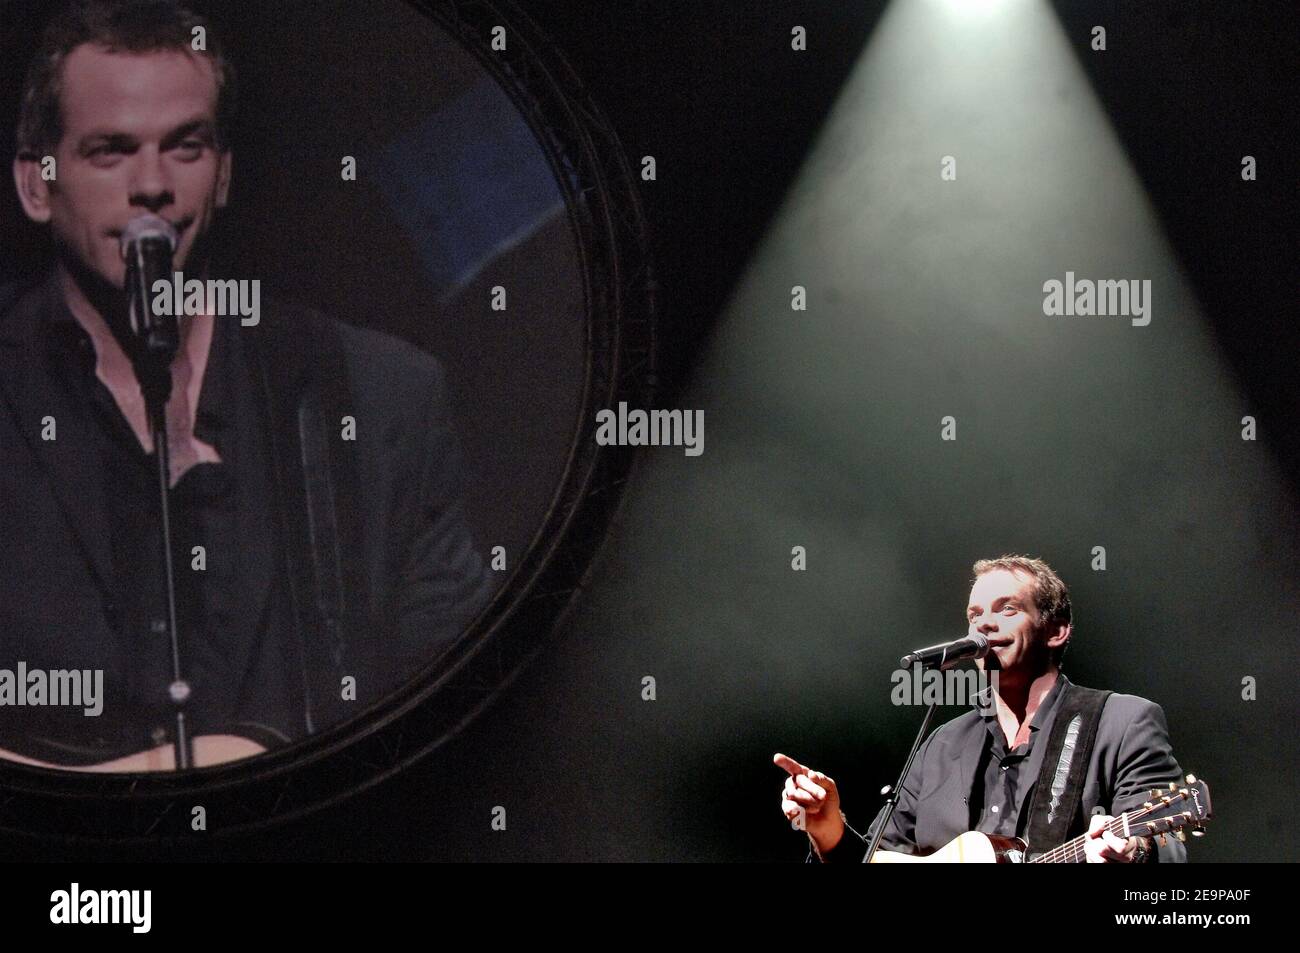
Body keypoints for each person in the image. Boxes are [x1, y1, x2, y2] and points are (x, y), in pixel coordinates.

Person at [0, 0, 494, 770]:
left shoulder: (378, 394)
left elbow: (469, 711)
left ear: (224, 174)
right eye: (110, 151)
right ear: (37, 185)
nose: (153, 185)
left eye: (186, 147)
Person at [775, 555, 1189, 862]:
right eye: (975, 615)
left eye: (1007, 609)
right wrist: (829, 830)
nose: (984, 626)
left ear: (1056, 631)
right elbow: (880, 858)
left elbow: (1169, 842)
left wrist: (1136, 849)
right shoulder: (942, 744)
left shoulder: (1121, 722)